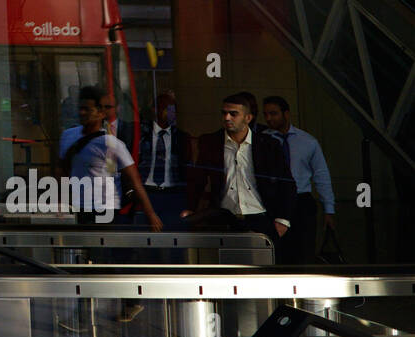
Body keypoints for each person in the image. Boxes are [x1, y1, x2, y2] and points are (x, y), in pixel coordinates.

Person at [182, 94, 296, 259]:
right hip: (225, 217)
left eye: (233, 114)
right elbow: (198, 179)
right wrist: (191, 208)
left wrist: (283, 220)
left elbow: (287, 184)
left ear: (248, 118)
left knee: (262, 271)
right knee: (225, 270)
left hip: (260, 217)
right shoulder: (211, 142)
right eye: (224, 113)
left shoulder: (268, 145)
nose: (227, 118)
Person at [59, 86, 162, 232]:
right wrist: (61, 202)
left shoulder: (111, 144)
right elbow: (62, 174)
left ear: (100, 113)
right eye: (81, 108)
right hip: (77, 206)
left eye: (88, 109)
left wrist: (150, 214)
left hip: (104, 208)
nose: (82, 113)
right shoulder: (68, 136)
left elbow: (134, 180)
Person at [262, 96, 335, 265]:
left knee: (304, 251)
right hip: (273, 202)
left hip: (301, 201)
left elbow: (321, 175)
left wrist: (329, 209)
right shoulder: (261, 141)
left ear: (286, 114)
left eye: (273, 113)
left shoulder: (308, 142)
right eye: (266, 114)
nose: (268, 118)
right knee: (276, 252)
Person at [136, 89, 191, 228]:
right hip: (146, 193)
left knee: (175, 240)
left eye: (174, 110)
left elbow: (187, 170)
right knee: (145, 240)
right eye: (168, 109)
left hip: (173, 196)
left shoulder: (181, 137)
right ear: (155, 110)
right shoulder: (141, 133)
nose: (172, 113)